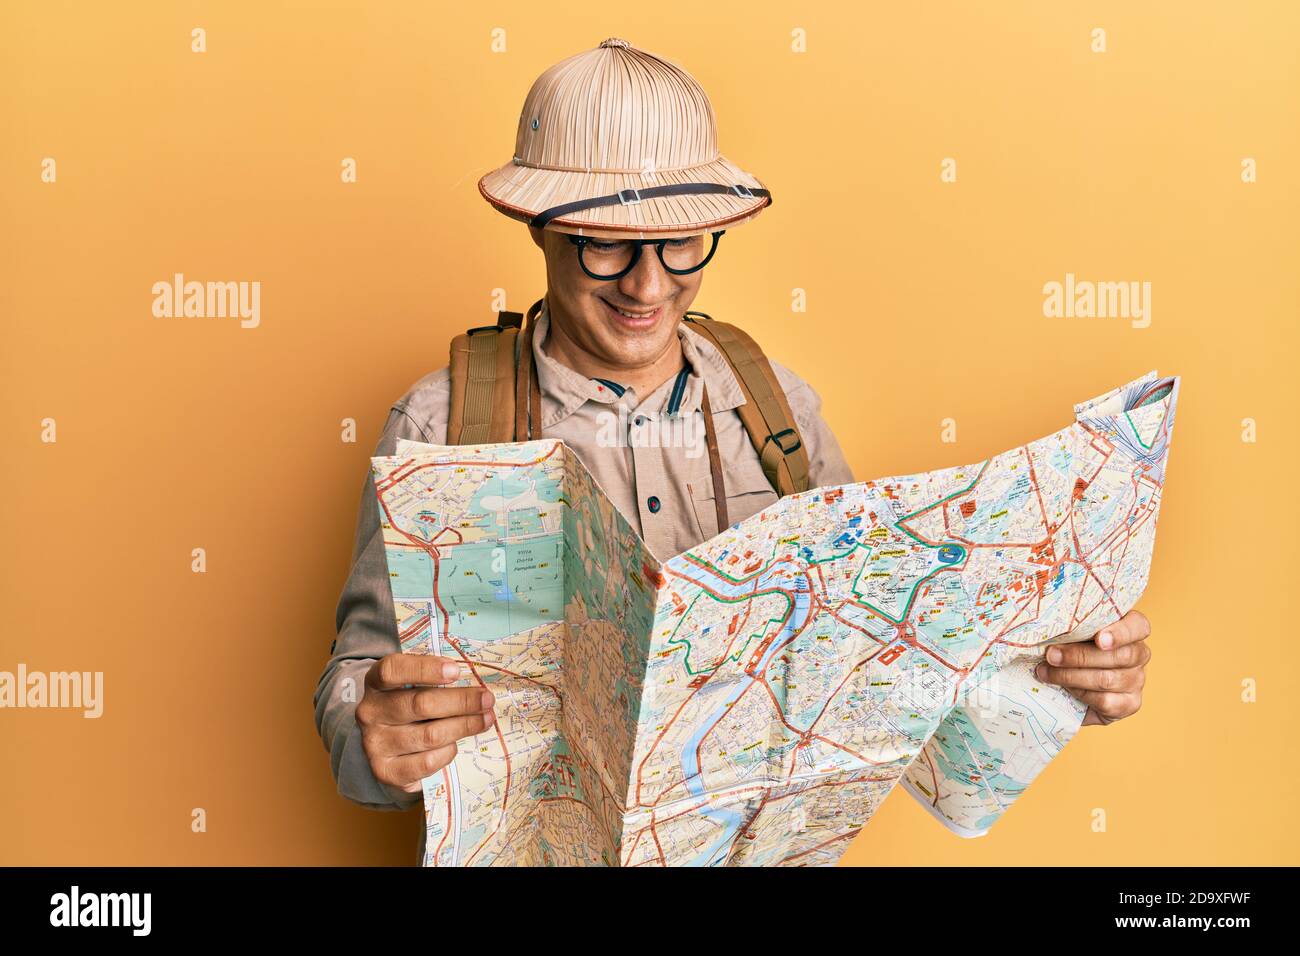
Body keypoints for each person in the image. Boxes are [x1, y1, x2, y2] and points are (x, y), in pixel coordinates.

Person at [313, 38, 1153, 822]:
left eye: (680, 243)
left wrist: (1059, 680)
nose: (647, 286)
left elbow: (879, 666)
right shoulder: (438, 426)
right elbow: (351, 688)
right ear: (541, 228)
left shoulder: (776, 405)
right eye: (605, 246)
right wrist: (375, 735)